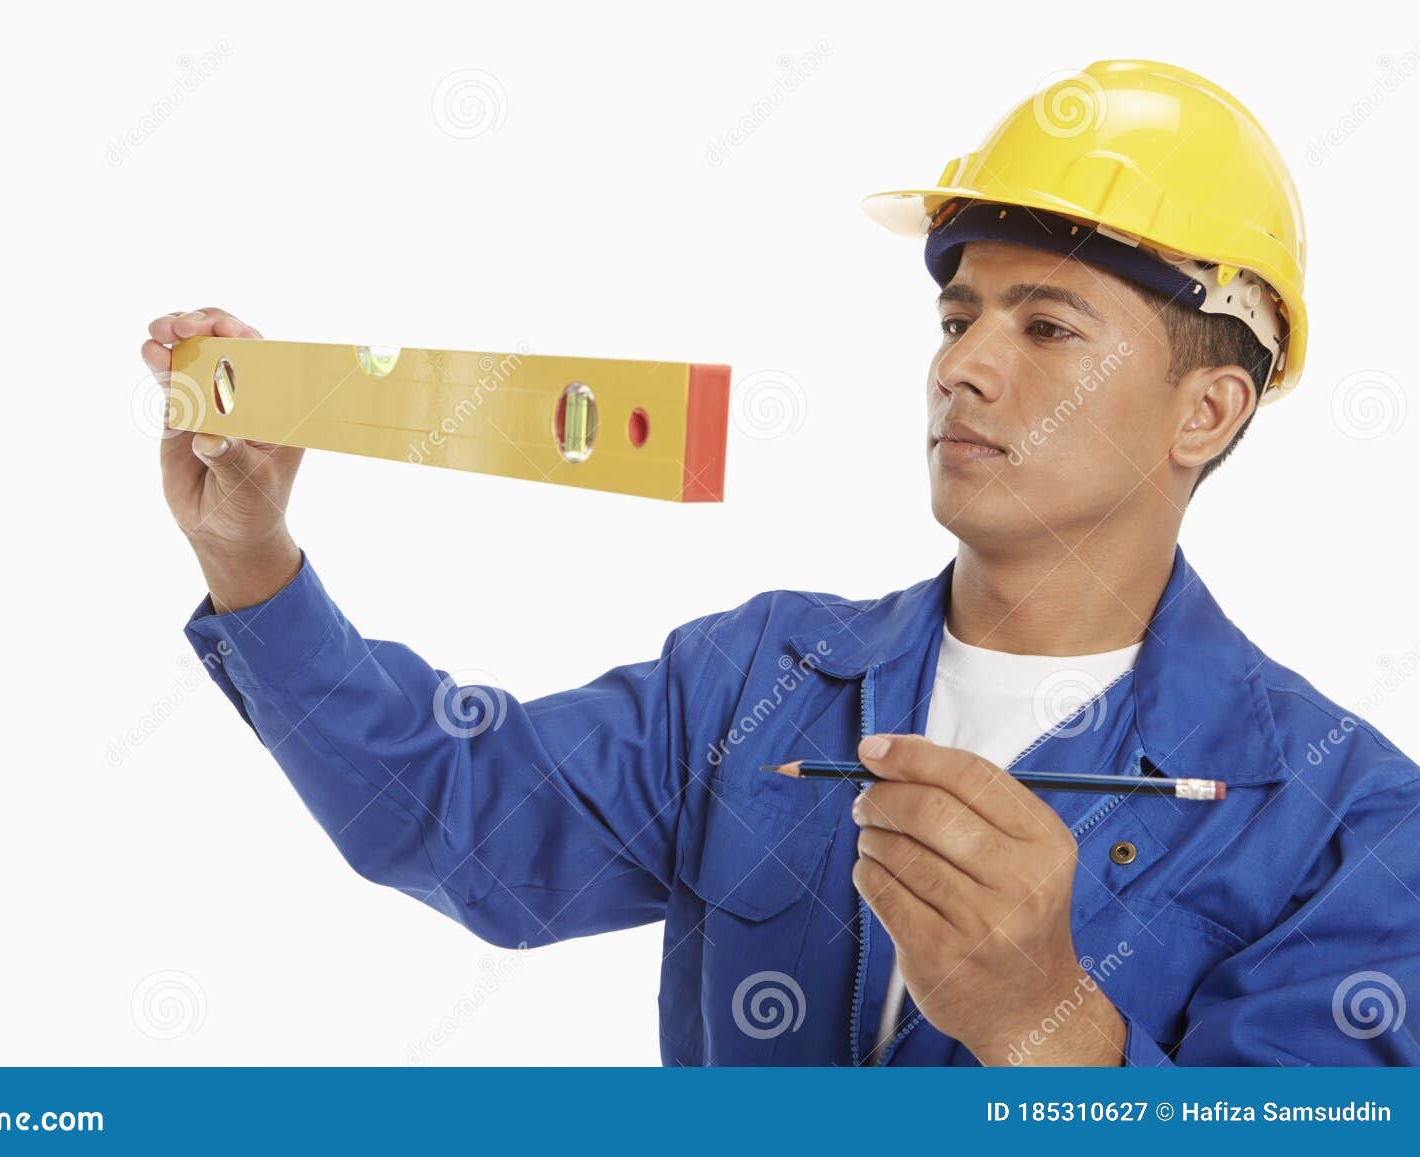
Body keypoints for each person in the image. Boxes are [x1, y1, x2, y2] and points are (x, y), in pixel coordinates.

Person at [140, 60, 1419, 1066]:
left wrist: (1050, 1026)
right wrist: (249, 554)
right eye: (957, 315)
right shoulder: (759, 680)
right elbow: (462, 825)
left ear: (1206, 410)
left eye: (1046, 327)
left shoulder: (1347, 825)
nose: (962, 365)